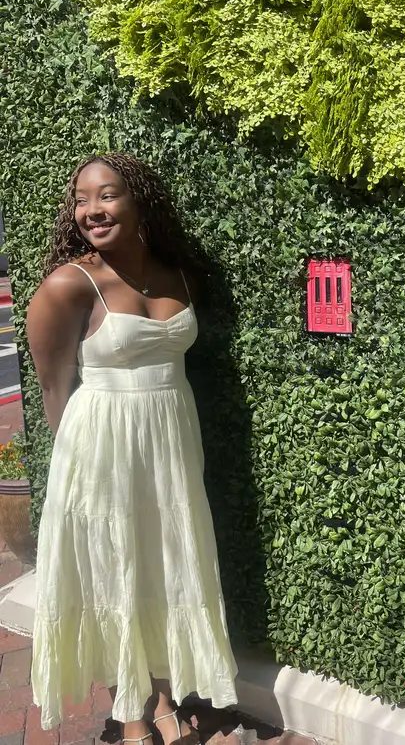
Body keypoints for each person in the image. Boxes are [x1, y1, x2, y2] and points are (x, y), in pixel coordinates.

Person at [26, 153, 238, 744]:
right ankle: (132, 712)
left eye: (107, 194)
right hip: (101, 448)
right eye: (81, 199)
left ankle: (164, 696)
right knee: (114, 570)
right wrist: (81, 473)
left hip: (170, 441)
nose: (91, 210)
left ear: (140, 201)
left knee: (165, 567)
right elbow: (54, 389)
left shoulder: (180, 276)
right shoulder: (69, 284)